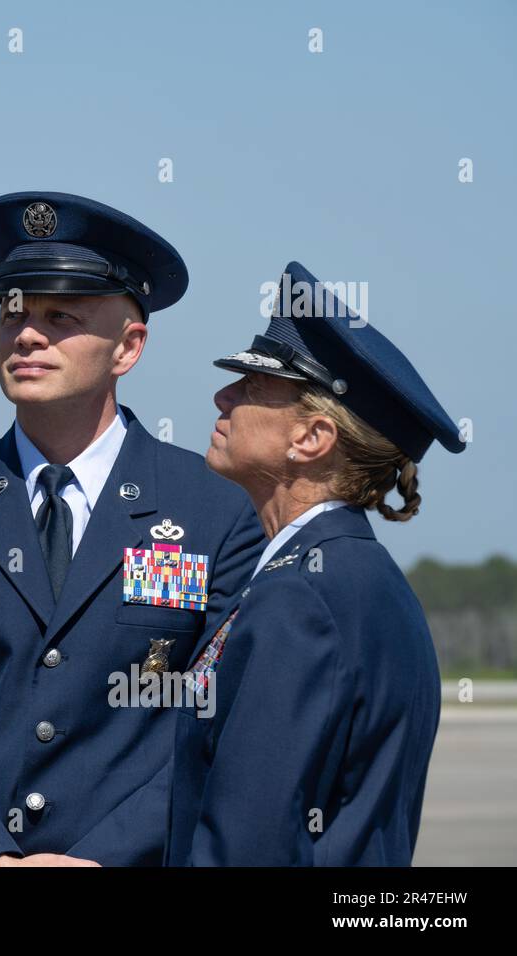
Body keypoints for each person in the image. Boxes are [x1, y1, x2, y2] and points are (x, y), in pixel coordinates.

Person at [0, 192, 267, 866]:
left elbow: (225, 724)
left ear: (128, 347)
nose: (27, 335)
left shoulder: (216, 511)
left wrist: (103, 859)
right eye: (12, 312)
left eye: (60, 316)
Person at [165, 261, 466, 866]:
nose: (223, 396)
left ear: (311, 439)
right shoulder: (369, 581)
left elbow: (248, 846)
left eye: (253, 386)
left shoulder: (299, 596)